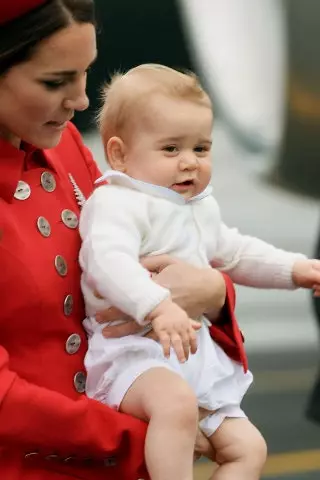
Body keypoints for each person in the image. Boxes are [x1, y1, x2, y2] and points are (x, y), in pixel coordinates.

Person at [0, 2, 238, 479]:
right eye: (54, 82)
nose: (82, 101)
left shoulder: (64, 145)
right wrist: (128, 434)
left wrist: (215, 293)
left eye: (85, 73)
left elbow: (153, 251)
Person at [79, 64, 320, 480]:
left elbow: (234, 251)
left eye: (202, 148)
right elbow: (107, 263)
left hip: (189, 356)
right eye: (171, 149)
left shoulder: (198, 207)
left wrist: (295, 269)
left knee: (249, 448)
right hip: (132, 357)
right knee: (175, 406)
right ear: (119, 153)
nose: (189, 162)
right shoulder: (116, 202)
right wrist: (157, 306)